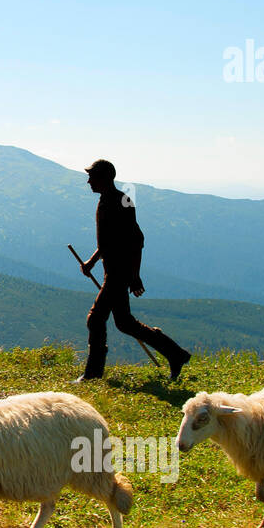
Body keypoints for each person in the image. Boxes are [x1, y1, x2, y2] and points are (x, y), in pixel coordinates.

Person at [75, 159, 191, 382]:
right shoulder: (106, 201)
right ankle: (176, 354)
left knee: (95, 319)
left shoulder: (123, 201)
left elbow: (136, 239)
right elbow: (108, 242)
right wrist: (91, 262)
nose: (88, 181)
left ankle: (93, 373)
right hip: (113, 271)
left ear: (104, 178)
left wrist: (134, 276)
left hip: (119, 272)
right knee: (125, 323)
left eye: (92, 177)